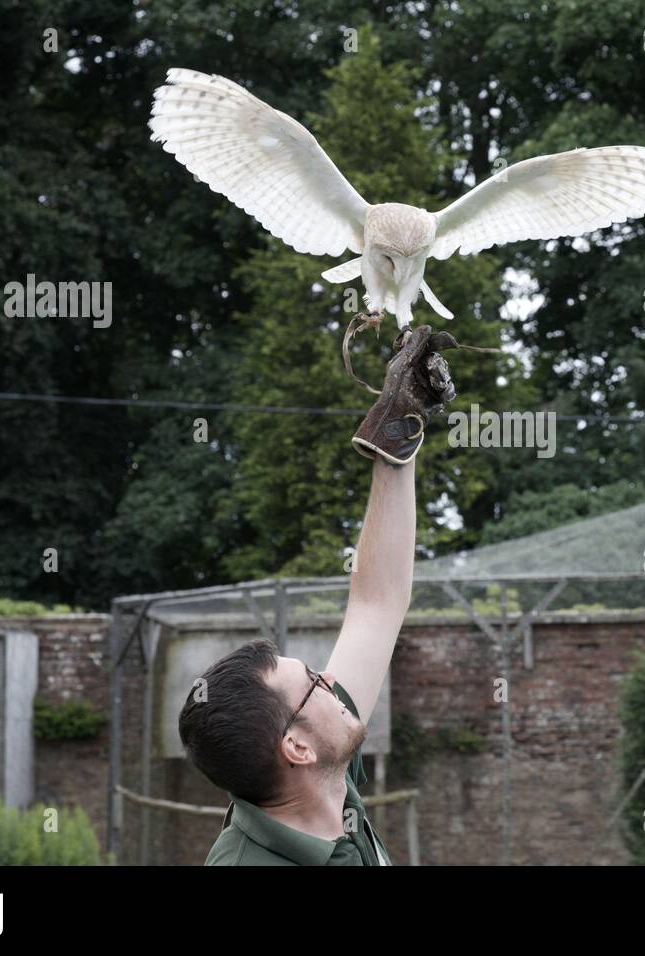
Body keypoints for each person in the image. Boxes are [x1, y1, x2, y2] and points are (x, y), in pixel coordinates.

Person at [177, 325, 456, 865]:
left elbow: (377, 604)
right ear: (296, 747)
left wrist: (397, 441)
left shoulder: (324, 786)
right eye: (313, 685)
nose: (330, 679)